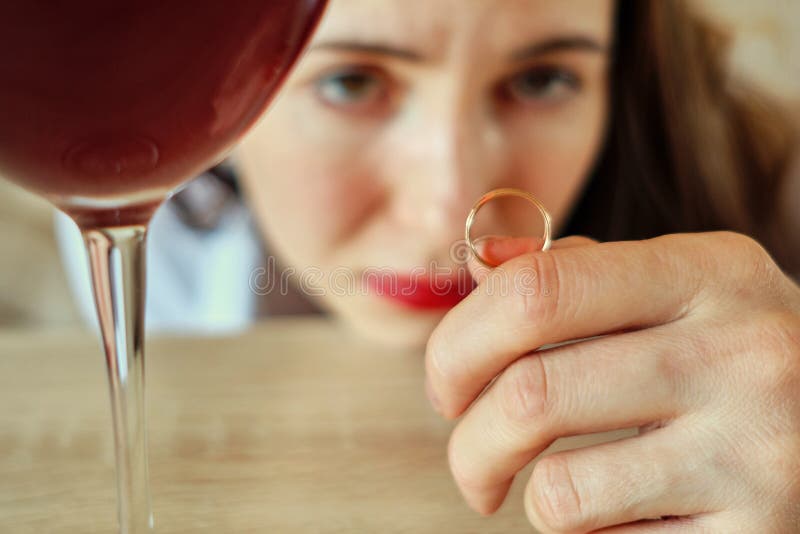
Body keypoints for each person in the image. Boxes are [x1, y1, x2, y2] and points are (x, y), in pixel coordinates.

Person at [59, 0, 800, 531]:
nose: (452, 214)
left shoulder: (774, 190)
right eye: (351, 81)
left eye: (543, 80)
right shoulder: (134, 230)